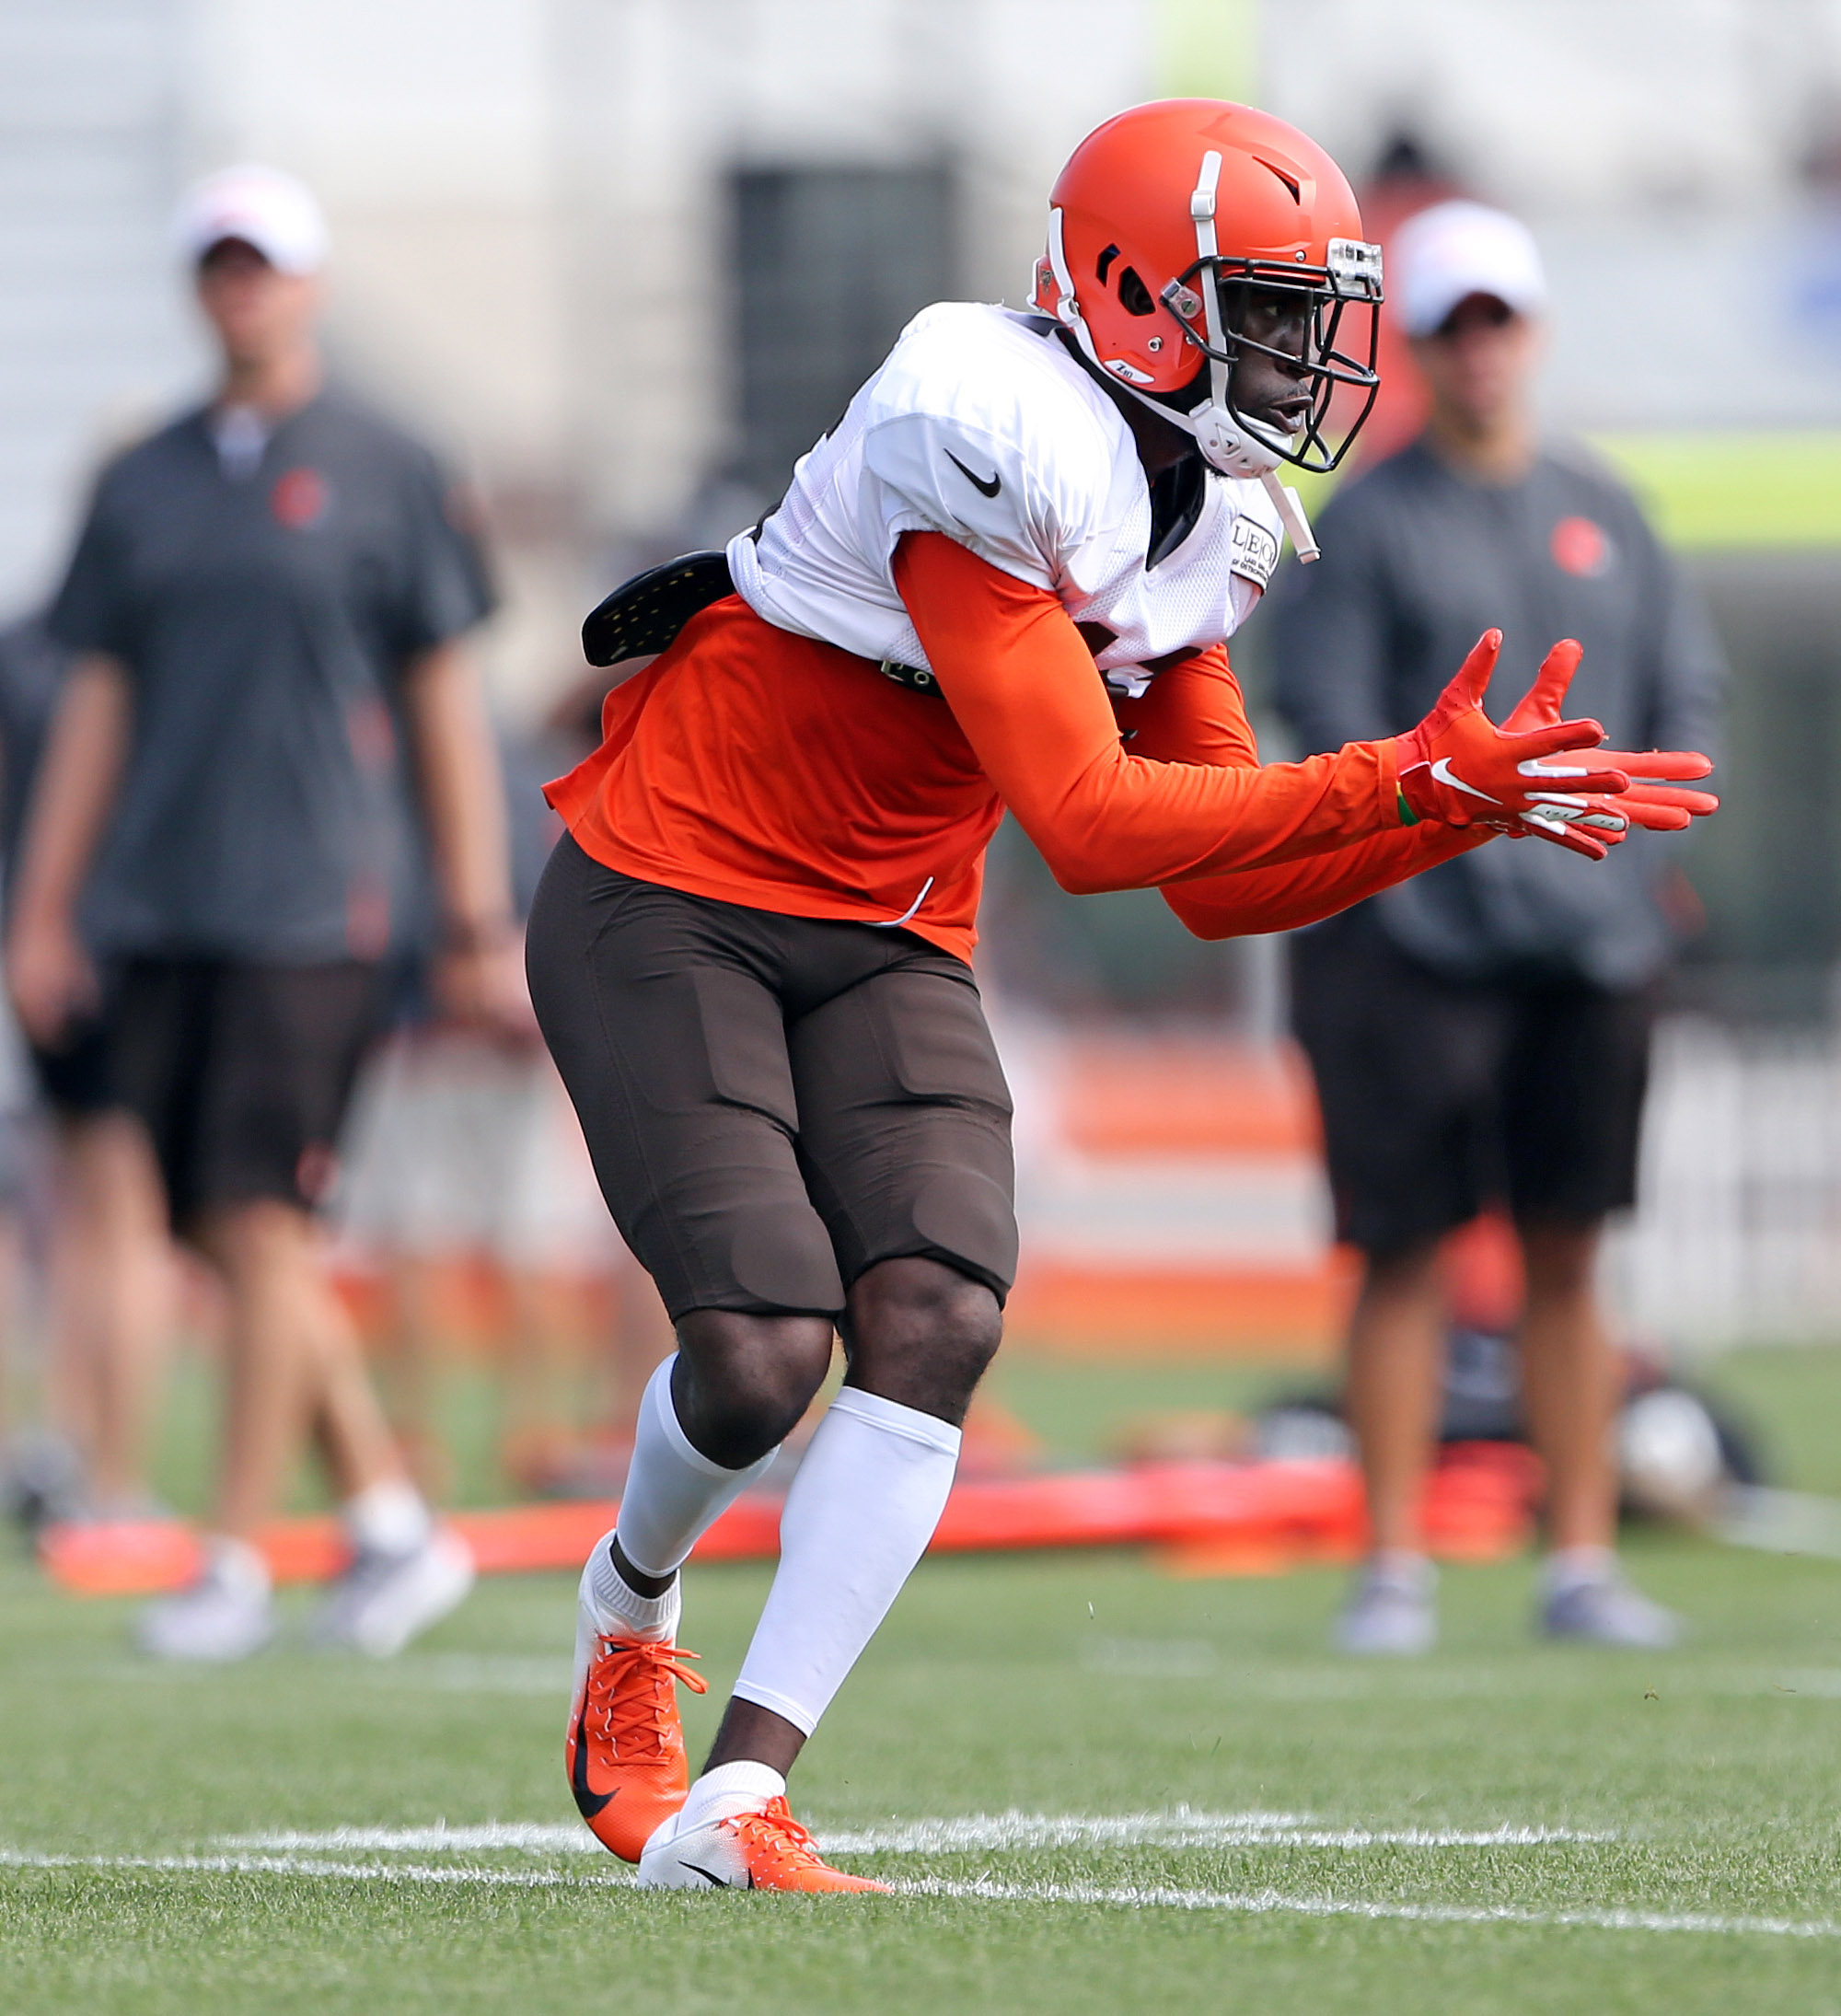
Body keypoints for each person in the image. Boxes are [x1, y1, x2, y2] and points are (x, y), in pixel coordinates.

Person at [533, 98, 1713, 1894]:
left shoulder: (1206, 506)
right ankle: (628, 1620)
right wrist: (1404, 772)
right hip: (674, 890)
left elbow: (1222, 873)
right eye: (1268, 308)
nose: (1310, 358)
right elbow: (1090, 824)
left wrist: (1441, 807)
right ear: (1136, 296)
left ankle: (744, 1791)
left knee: (934, 1312)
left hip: (887, 923)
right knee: (766, 1347)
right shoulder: (986, 422)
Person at [6, 165, 513, 1658]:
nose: (243, 289)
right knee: (224, 1232)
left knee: (255, 1213)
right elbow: (94, 702)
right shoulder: (143, 479)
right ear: (197, 286)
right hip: (160, 903)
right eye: (220, 266)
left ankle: (232, 1554)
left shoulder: (389, 463)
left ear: (309, 285)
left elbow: (443, 700)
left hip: (320, 901)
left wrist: (474, 911)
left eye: (264, 266)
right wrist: (43, 907)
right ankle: (383, 1517)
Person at [1273, 199, 1724, 1657]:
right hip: (1411, 946)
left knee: (1569, 1251)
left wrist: (1633, 871)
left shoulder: (1609, 510)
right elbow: (1334, 734)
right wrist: (1455, 844)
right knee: (1401, 1249)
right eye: (1450, 327)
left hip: (1586, 946)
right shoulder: (1370, 524)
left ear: (1528, 334)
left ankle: (1577, 1557)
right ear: (1414, 347)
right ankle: (1393, 1562)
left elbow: (1681, 703)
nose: (1478, 352)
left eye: (1497, 322)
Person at [0, 613, 177, 1534]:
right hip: (130, 951)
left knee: (81, 1216)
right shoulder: (148, 639)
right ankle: (109, 1480)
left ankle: (80, 1455)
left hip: (52, 952)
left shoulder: (30, 642)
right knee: (118, 1219)